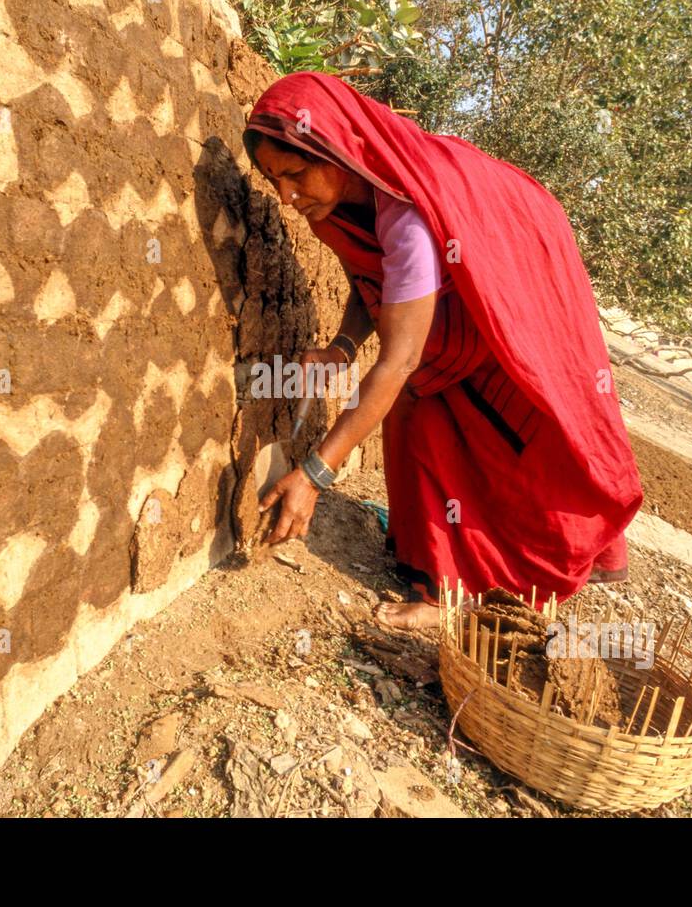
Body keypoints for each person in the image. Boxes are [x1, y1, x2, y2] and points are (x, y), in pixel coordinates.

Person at [244, 72, 644, 629]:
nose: (286, 197)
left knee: (510, 443)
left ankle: (476, 592)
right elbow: (370, 276)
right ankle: (435, 568)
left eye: (294, 174)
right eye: (273, 182)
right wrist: (341, 346)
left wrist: (314, 474)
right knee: (422, 417)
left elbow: (400, 357)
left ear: (336, 149)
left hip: (511, 306)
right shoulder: (339, 204)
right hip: (452, 320)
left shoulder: (409, 216)